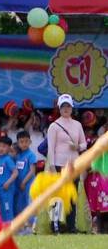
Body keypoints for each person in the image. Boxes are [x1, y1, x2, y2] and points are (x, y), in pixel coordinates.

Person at [46, 94, 88, 231]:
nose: (66, 109)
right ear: (59, 108)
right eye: (63, 106)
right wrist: (52, 166)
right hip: (58, 164)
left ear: (72, 108)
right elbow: (50, 148)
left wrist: (77, 147)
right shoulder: (54, 126)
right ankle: (55, 224)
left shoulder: (77, 125)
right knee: (57, 196)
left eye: (68, 106)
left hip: (73, 165)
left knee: (72, 195)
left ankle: (71, 226)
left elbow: (84, 144)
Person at [13, 130, 39, 234]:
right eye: (21, 142)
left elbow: (32, 171)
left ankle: (30, 226)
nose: (24, 144)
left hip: (28, 184)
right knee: (20, 205)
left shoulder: (31, 155)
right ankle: (22, 226)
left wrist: (24, 182)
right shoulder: (17, 156)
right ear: (18, 143)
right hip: (19, 186)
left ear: (30, 142)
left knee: (29, 205)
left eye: (26, 141)